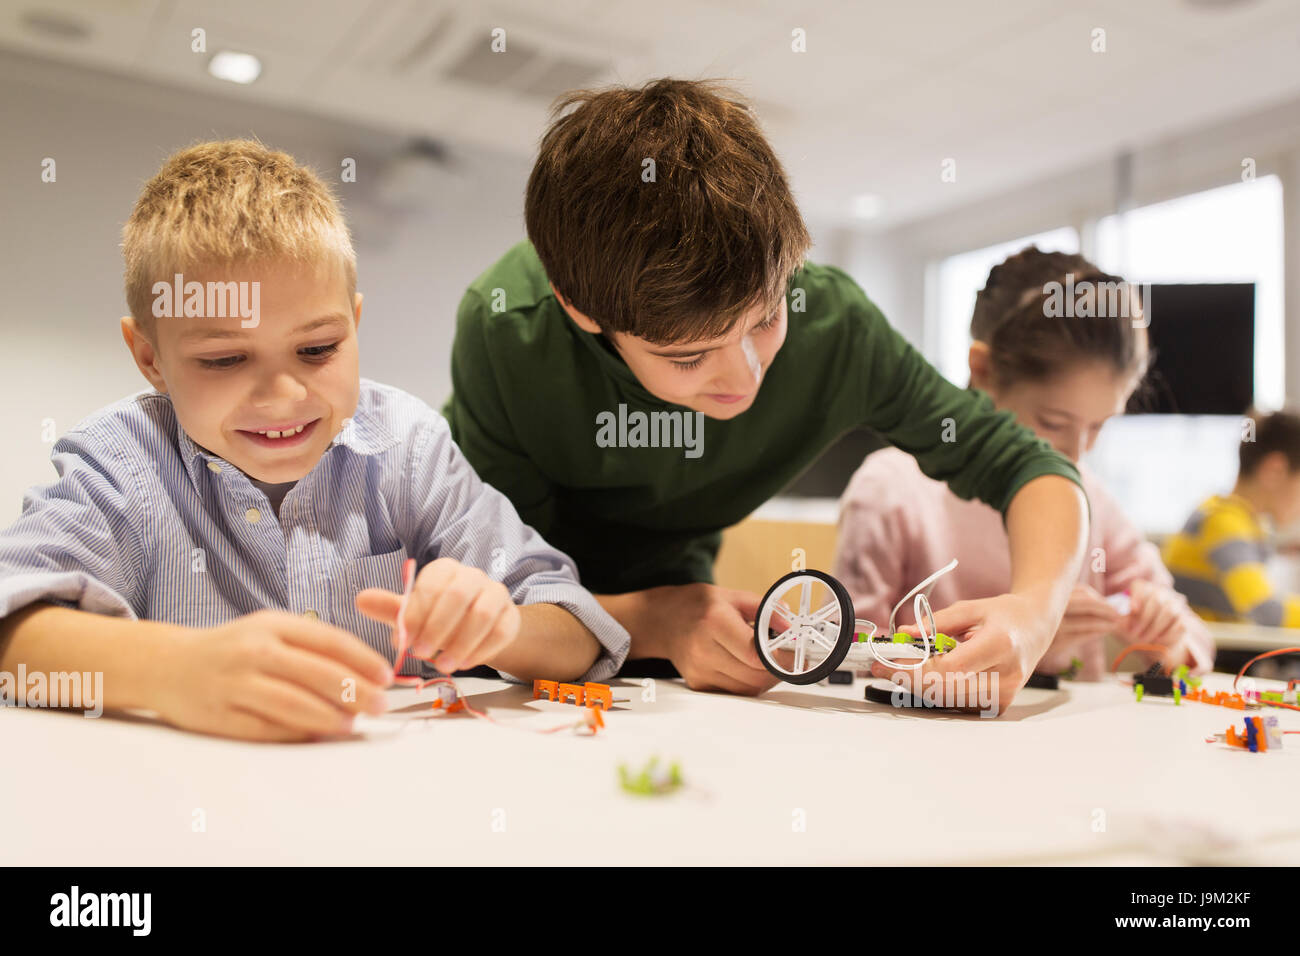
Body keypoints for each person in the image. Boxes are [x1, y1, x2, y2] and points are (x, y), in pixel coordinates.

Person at [442, 79, 1090, 712]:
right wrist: (658, 619)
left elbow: (1029, 466)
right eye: (689, 356)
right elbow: (494, 587)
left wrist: (1033, 614)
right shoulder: (507, 333)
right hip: (511, 649)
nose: (744, 377)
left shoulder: (835, 326)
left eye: (765, 320)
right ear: (580, 311)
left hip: (680, 629)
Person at [0, 140, 628, 742]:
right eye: (223, 359)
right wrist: (174, 670)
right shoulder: (121, 460)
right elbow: (12, 635)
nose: (282, 396)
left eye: (317, 349)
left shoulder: (409, 447)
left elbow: (576, 631)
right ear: (150, 358)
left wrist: (501, 625)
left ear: (353, 325)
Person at [834, 247, 1213, 680]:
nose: (1075, 453)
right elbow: (849, 657)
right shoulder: (892, 489)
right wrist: (1032, 633)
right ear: (982, 370)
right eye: (1052, 422)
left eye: (1098, 426)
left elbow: (1196, 644)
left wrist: (1166, 638)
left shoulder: (1091, 499)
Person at [1163, 410, 1300, 628]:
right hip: (1207, 659)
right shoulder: (1224, 523)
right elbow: (1264, 610)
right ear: (1275, 471)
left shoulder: (1239, 521)